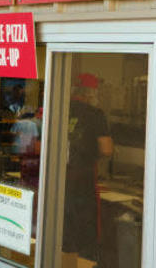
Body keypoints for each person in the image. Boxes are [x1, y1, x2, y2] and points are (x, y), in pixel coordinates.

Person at [61, 72, 113, 267]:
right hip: (83, 183)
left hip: (60, 180)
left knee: (64, 233)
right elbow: (106, 148)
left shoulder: (61, 107)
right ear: (91, 92)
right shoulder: (95, 114)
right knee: (85, 233)